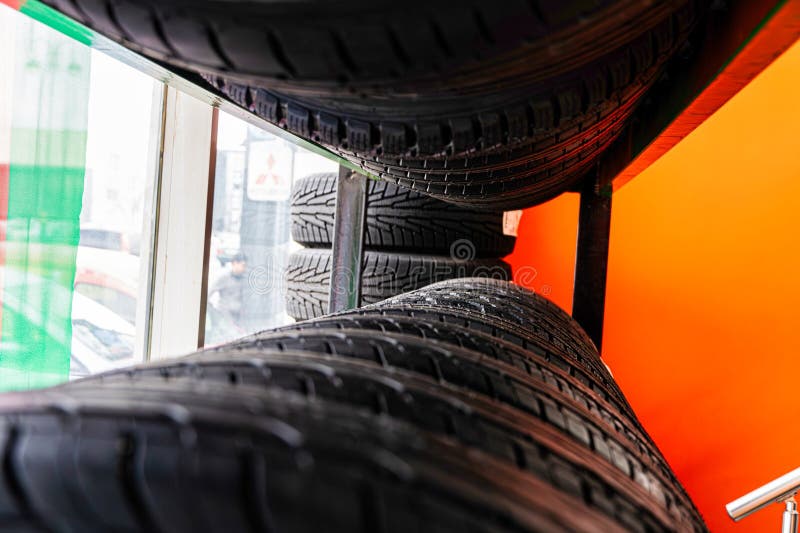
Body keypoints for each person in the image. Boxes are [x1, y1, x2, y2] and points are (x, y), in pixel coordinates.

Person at [209, 252, 247, 324]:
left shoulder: (244, 280)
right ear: (234, 263)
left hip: (238, 318)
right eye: (243, 265)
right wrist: (211, 311)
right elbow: (208, 293)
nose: (244, 268)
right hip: (225, 318)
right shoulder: (224, 278)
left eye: (245, 266)